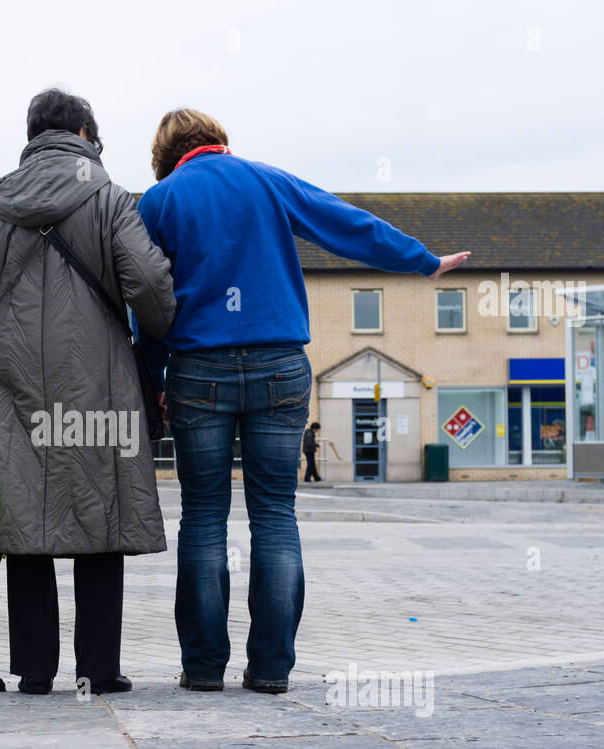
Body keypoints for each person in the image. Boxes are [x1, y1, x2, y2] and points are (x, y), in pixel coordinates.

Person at [136, 109, 469, 694]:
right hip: (279, 365)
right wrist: (421, 260)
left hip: (199, 369)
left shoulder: (158, 201)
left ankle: (204, 668)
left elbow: (147, 295)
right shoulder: (268, 180)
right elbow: (344, 222)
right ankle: (270, 669)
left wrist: (155, 374)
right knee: (275, 515)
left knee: (204, 517)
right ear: (217, 139)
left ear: (165, 155)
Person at [0, 89, 176, 695]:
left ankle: (35, 670)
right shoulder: (109, 198)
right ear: (83, 133)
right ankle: (98, 669)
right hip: (97, 387)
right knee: (101, 517)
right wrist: (161, 327)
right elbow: (150, 286)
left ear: (32, 135)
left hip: (11, 392)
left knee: (25, 521)